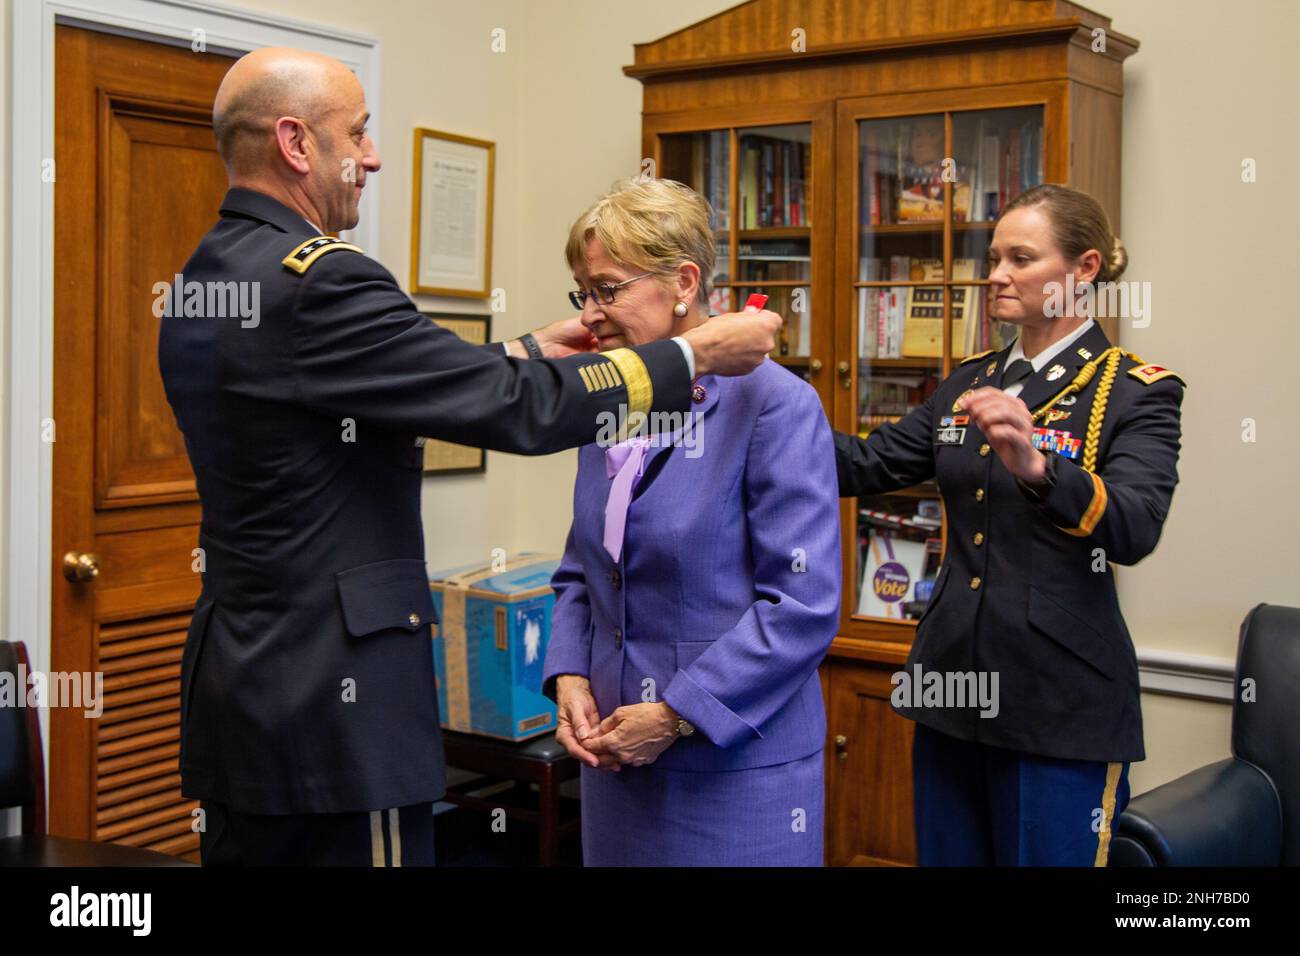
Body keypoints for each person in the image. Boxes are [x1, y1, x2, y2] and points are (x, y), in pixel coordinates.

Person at [157, 48, 783, 866]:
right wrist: (692, 356)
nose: (373, 155)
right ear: (295, 143)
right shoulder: (321, 282)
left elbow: (375, 391)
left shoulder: (208, 277)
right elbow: (517, 414)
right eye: (360, 133)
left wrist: (522, 348)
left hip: (247, 692)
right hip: (334, 711)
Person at [833, 184, 1184, 866]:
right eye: (994, 257)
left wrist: (1038, 465)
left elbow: (1137, 526)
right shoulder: (969, 381)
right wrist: (746, 395)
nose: (995, 274)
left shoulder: (1136, 389)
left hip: (1059, 706)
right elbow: (865, 464)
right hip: (950, 690)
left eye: (1020, 258)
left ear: (1083, 270)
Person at [542, 179, 840, 866]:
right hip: (619, 764)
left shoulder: (774, 405)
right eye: (581, 292)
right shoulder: (612, 398)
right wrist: (570, 676)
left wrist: (674, 715)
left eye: (607, 289)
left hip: (730, 769)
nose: (591, 314)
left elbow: (802, 603)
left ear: (683, 282)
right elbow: (583, 569)